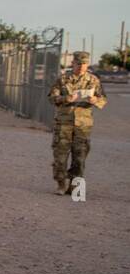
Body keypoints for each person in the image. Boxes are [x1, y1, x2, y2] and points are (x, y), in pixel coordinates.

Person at [48, 50, 106, 194]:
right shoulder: (62, 79)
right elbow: (51, 98)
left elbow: (103, 99)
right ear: (73, 63)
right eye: (79, 63)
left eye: (85, 63)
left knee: (79, 158)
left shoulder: (93, 80)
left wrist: (95, 100)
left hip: (83, 125)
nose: (81, 66)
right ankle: (61, 184)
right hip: (64, 124)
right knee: (60, 157)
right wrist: (65, 99)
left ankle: (74, 186)